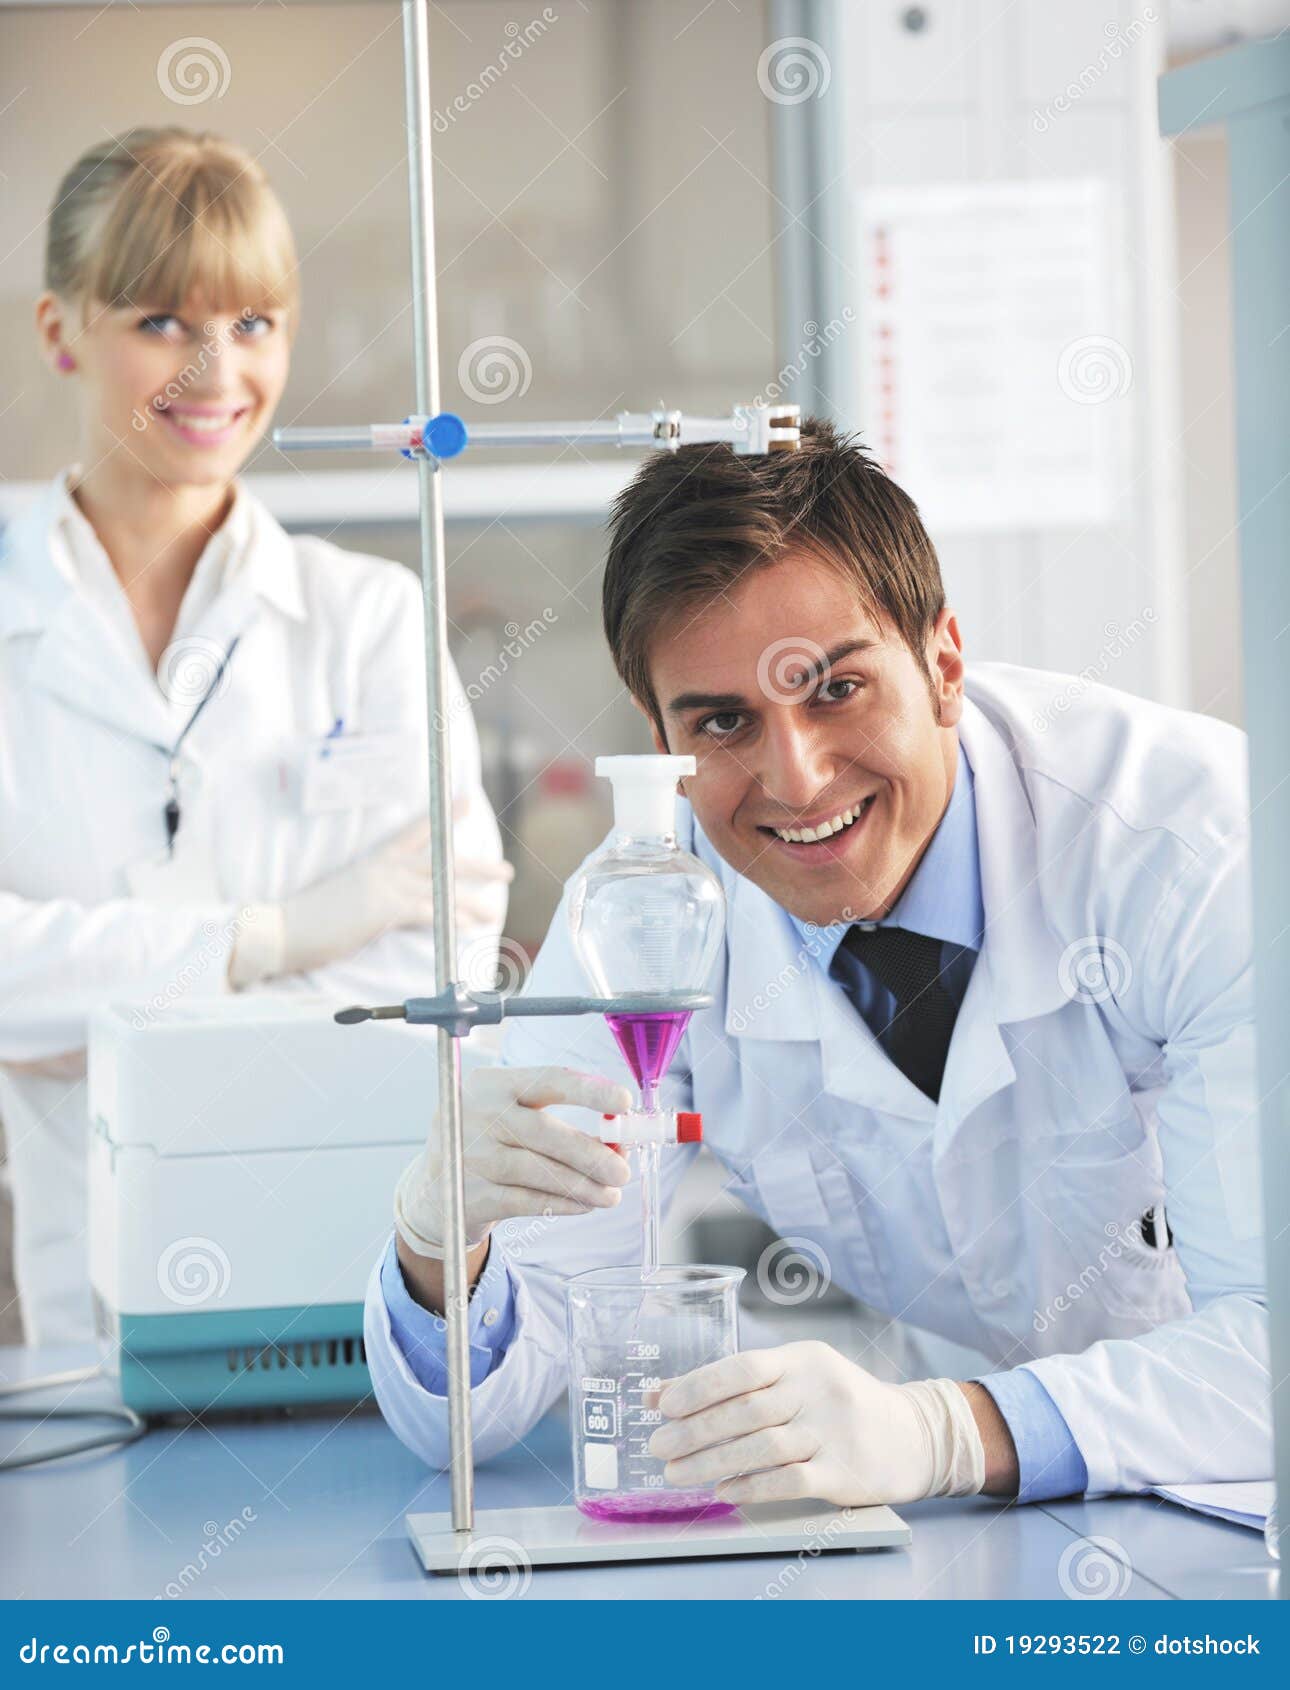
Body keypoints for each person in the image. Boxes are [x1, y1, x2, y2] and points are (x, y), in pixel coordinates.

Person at [364, 420, 1266, 1506]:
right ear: (663, 742)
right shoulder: (644, 919)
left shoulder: (1200, 851)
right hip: (1000, 1521)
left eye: (836, 690)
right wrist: (441, 1245)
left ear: (943, 666)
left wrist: (946, 1431)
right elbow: (479, 1412)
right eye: (723, 722)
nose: (794, 779)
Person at [0, 128, 509, 1348]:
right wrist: (272, 938)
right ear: (61, 331)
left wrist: (99, 1015)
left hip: (347, 1281)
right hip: (79, 1319)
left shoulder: (368, 619)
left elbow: (441, 975)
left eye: (254, 322)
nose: (217, 370)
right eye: (162, 321)